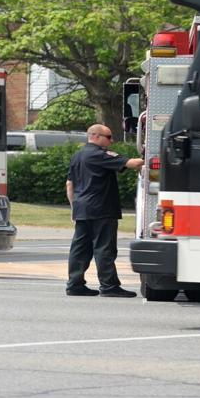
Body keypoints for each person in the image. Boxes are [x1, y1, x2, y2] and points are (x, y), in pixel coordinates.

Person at [65, 123, 143, 297]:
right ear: (96, 136)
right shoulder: (99, 154)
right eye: (109, 137)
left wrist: (74, 208)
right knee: (104, 248)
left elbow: (69, 184)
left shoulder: (77, 156)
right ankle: (109, 286)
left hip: (83, 209)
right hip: (101, 209)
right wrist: (154, 155)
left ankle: (74, 284)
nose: (112, 141)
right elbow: (132, 163)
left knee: (80, 248)